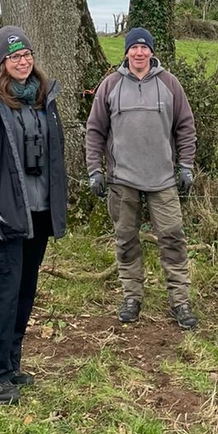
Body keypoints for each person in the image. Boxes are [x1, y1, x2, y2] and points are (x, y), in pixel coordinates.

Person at [0, 26, 68, 405]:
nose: (22, 62)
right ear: (2, 62)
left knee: (24, 293)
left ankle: (12, 364)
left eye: (27, 55)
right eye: (14, 57)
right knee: (2, 295)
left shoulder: (43, 99)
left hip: (37, 216)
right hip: (3, 219)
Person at [86, 27, 198, 329]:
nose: (139, 52)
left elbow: (185, 127)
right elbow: (95, 131)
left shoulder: (169, 84)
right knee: (125, 240)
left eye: (144, 47)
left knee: (173, 238)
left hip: (162, 179)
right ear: (126, 52)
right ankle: (132, 297)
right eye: (133, 48)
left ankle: (180, 301)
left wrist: (186, 165)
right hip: (122, 179)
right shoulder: (110, 86)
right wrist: (94, 170)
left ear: (151, 51)